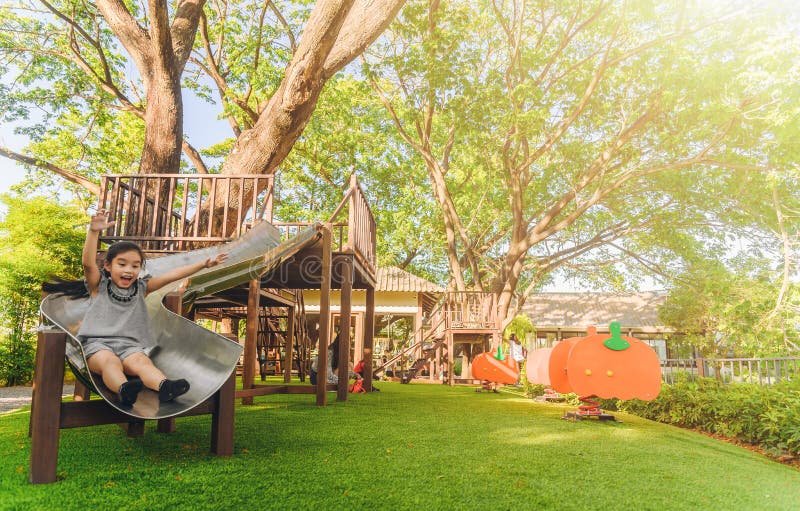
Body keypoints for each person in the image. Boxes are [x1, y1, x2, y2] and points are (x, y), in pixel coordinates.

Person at [42, 209, 227, 407]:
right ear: (107, 266)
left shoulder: (141, 288)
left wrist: (203, 265)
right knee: (109, 362)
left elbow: (171, 275)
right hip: (97, 346)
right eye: (122, 264)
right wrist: (93, 232)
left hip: (129, 346)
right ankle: (124, 389)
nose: (129, 270)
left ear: (140, 269)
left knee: (142, 362)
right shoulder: (99, 286)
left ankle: (164, 387)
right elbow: (88, 264)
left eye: (135, 266)